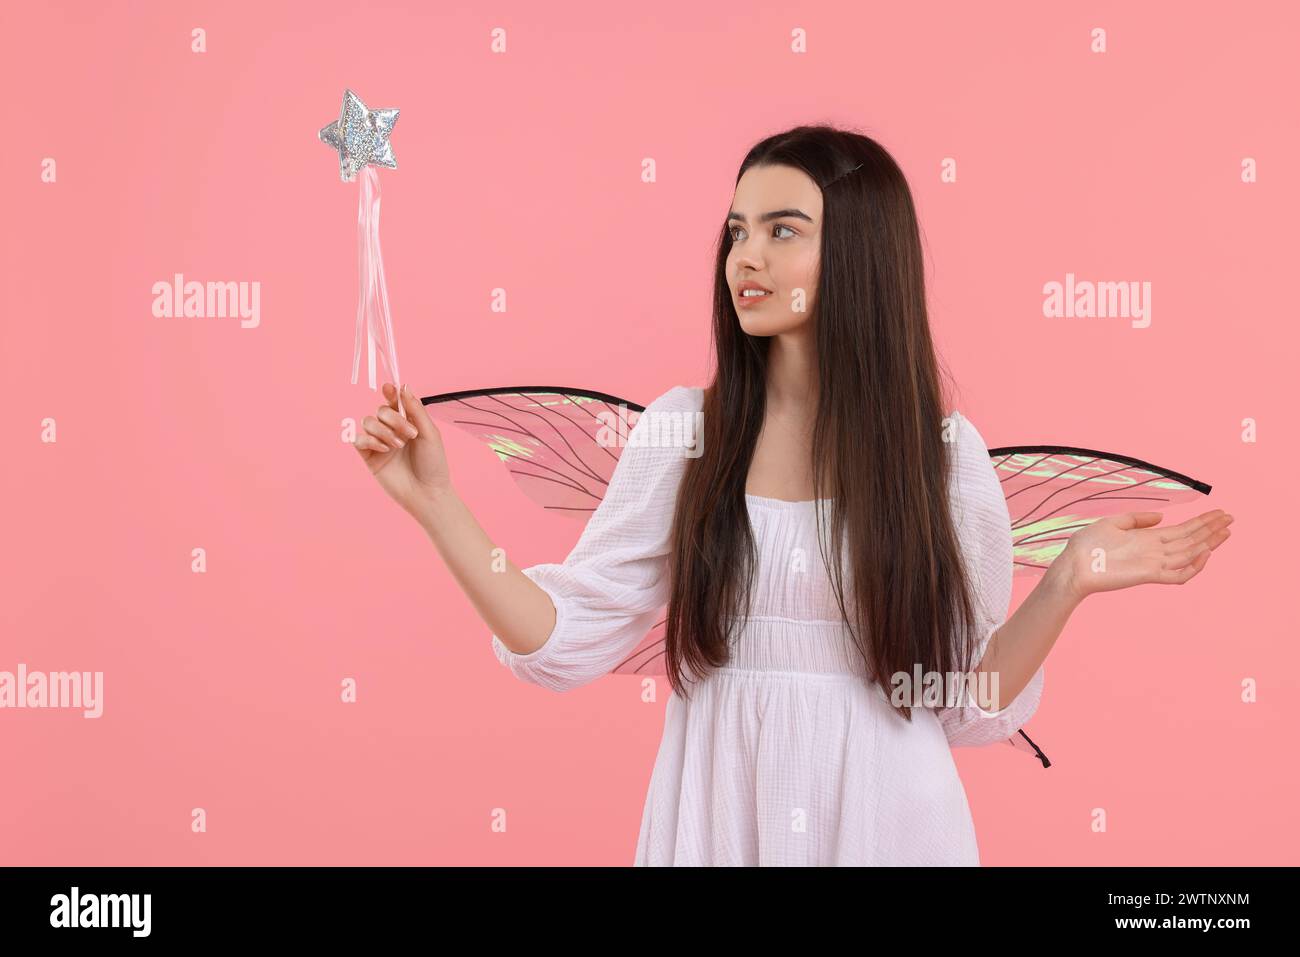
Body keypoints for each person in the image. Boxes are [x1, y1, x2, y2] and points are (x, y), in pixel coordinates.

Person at [351, 125, 1233, 865]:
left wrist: (1068, 579)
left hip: (890, 828)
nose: (746, 257)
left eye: (782, 230)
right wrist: (438, 504)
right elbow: (562, 638)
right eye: (737, 231)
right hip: (717, 818)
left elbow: (964, 705)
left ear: (859, 253)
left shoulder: (938, 458)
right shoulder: (684, 433)